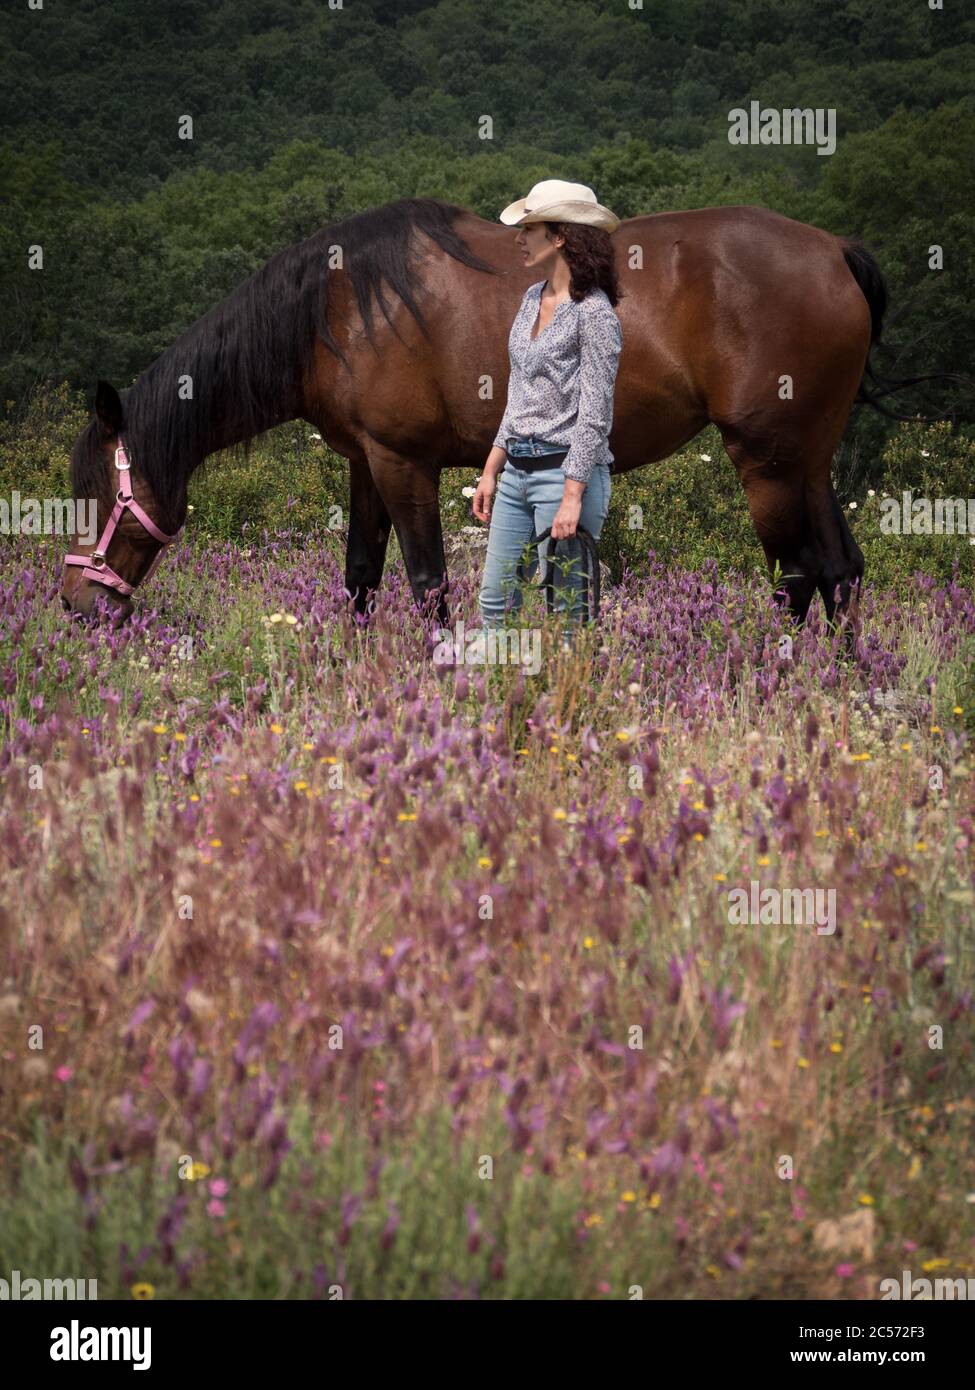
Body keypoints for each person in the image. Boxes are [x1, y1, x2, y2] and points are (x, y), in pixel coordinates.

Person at [474, 179, 623, 640]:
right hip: (516, 472)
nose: (519, 238)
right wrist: (490, 469)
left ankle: (569, 709)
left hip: (565, 476)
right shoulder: (529, 300)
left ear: (560, 236)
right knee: (495, 600)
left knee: (567, 614)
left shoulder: (595, 314)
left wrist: (572, 495)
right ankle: (499, 705)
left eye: (530, 228)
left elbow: (595, 412)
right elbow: (519, 393)